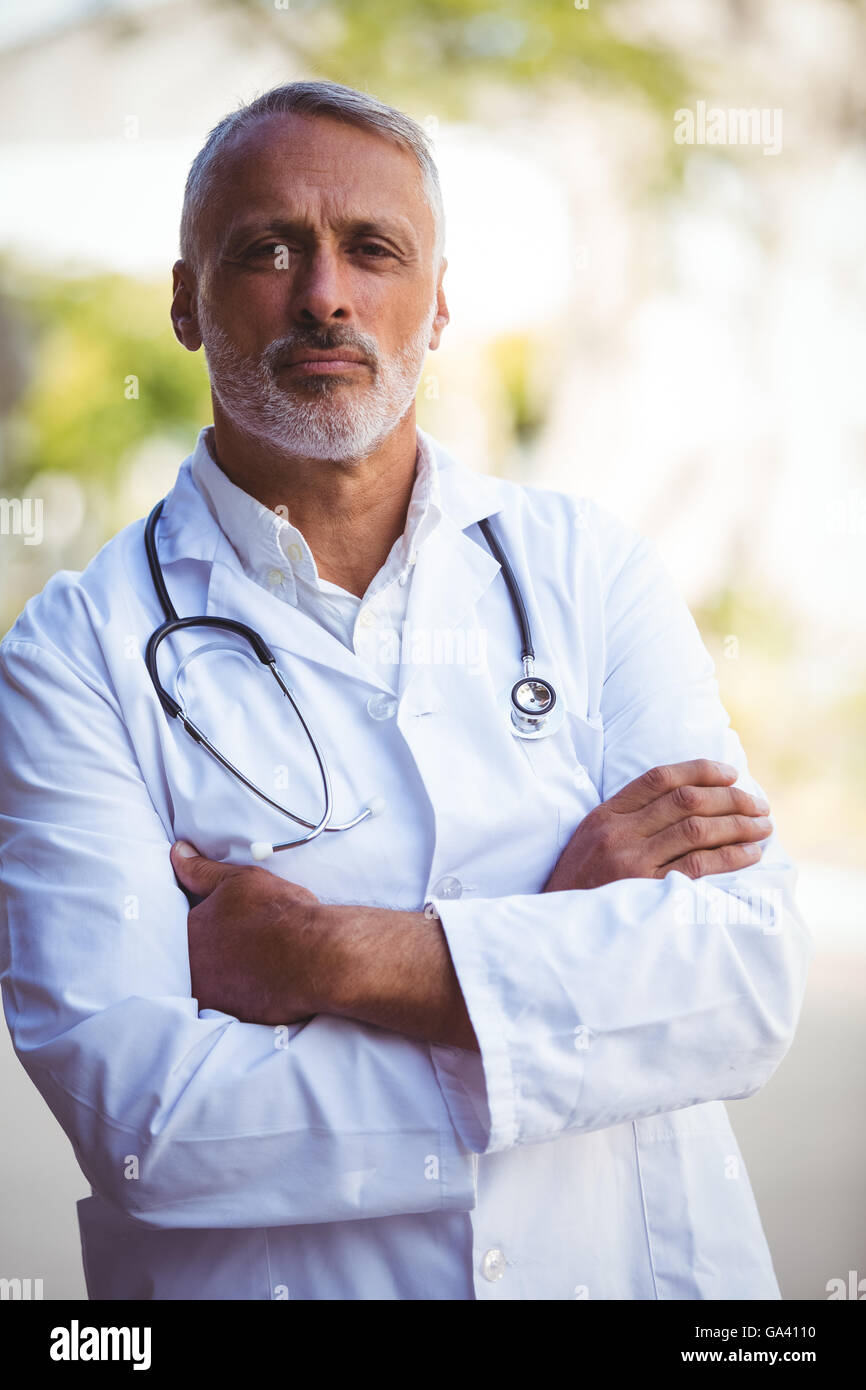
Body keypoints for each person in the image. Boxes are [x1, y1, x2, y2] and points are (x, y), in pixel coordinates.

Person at [0, 80, 812, 1301]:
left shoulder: (585, 571)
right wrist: (553, 962)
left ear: (437, 305)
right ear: (184, 301)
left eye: (371, 250)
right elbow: (150, 1126)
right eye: (266, 249)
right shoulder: (74, 654)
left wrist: (334, 957)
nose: (325, 294)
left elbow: (738, 985)